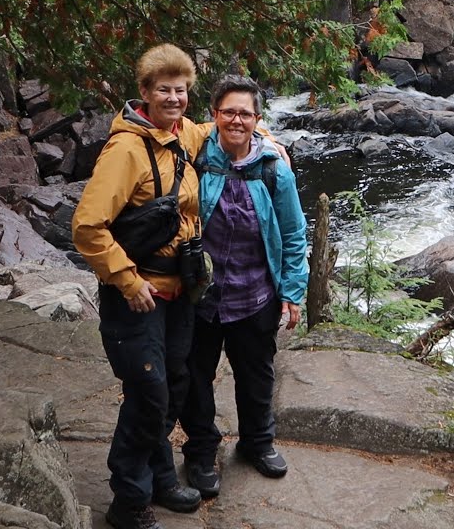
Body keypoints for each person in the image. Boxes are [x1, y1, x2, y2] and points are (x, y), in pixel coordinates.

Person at [71, 43, 208, 529]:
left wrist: (260, 137)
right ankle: (128, 501)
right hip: (137, 295)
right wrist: (126, 281)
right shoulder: (126, 150)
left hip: (178, 291)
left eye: (182, 90)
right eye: (164, 90)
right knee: (148, 394)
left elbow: (212, 131)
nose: (174, 98)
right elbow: (87, 226)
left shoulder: (182, 134)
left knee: (173, 386)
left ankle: (162, 477)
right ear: (144, 92)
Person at [179, 74, 308, 500]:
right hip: (200, 295)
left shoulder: (273, 168)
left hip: (255, 294)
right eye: (228, 111)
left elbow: (293, 233)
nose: (237, 120)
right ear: (213, 115)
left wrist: (292, 292)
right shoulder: (195, 155)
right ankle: (200, 452)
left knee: (256, 374)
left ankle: (258, 443)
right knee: (196, 376)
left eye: (246, 114)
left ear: (257, 119)